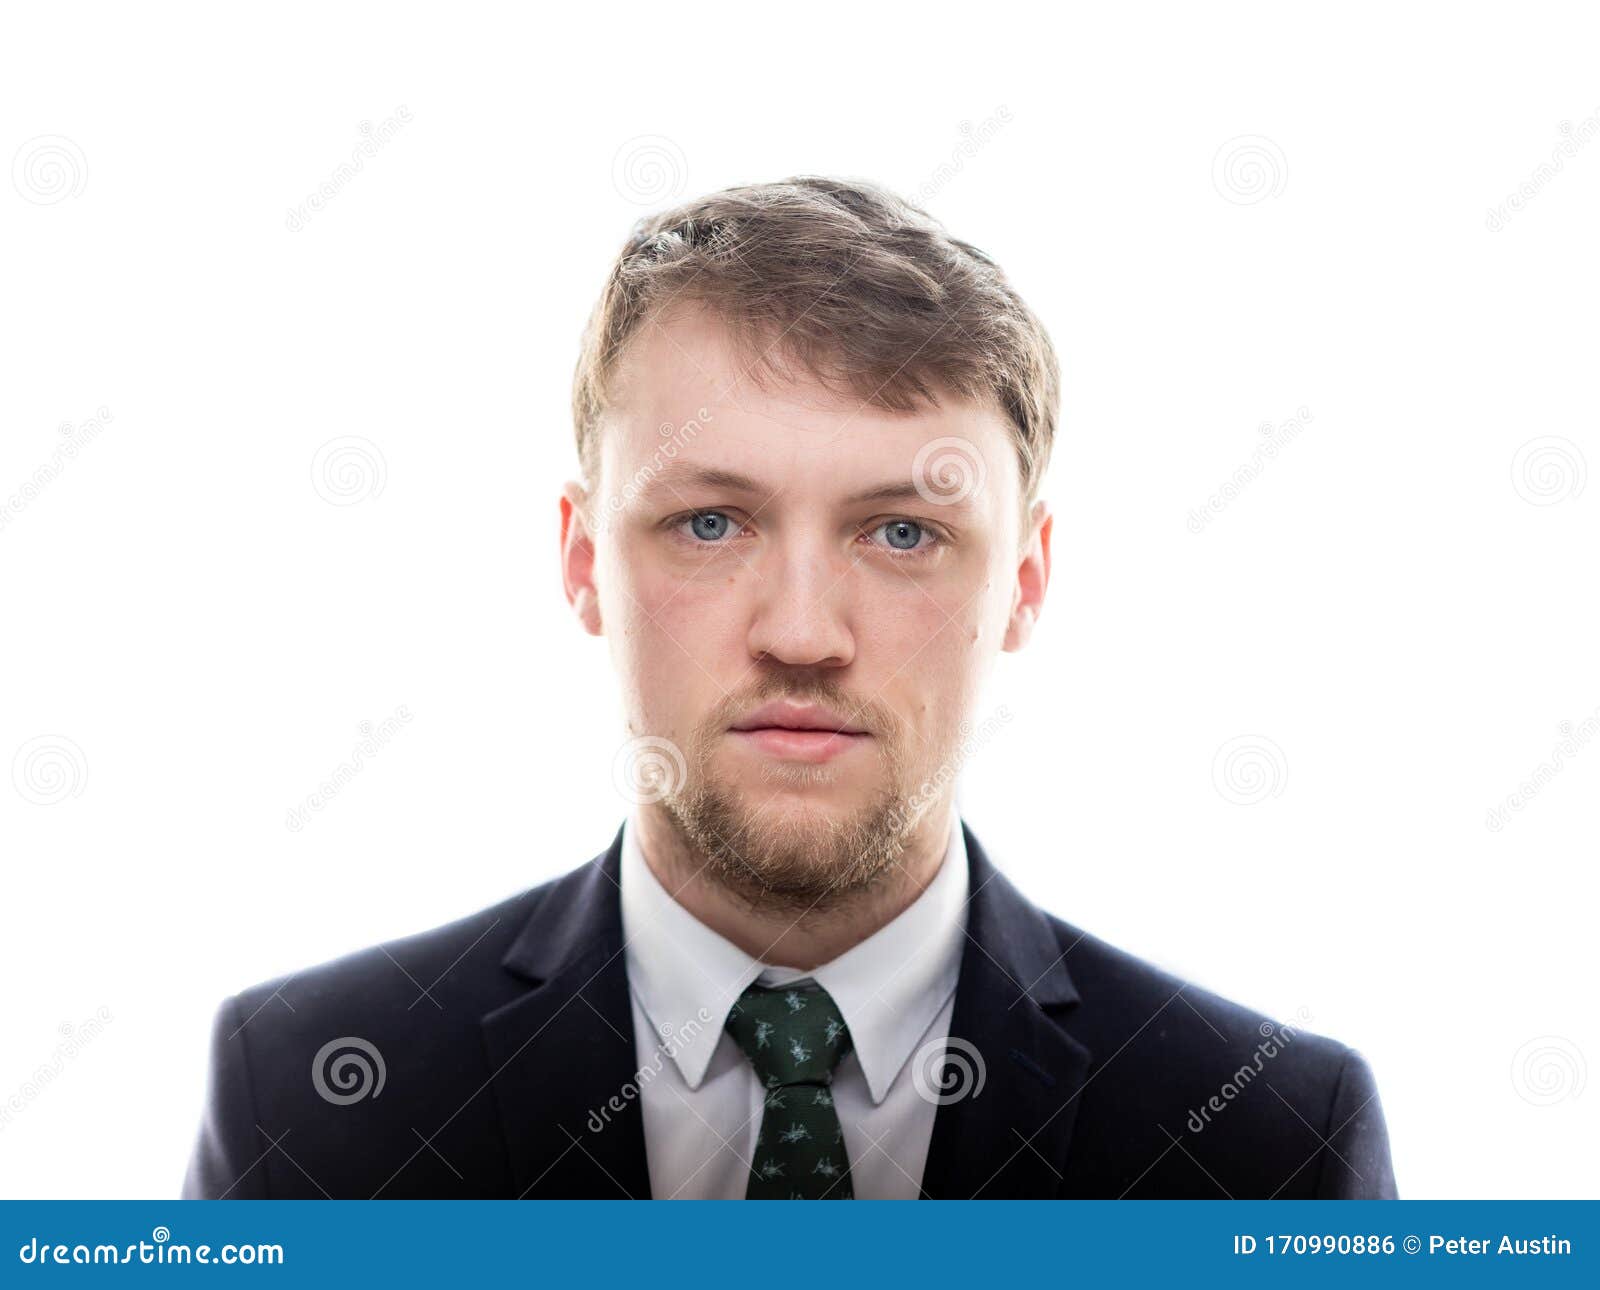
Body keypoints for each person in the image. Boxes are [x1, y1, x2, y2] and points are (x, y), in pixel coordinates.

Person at [183, 176, 1396, 1200]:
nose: (804, 634)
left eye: (901, 533)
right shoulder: (307, 1104)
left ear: (1023, 581)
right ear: (580, 561)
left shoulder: (1271, 1143)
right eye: (710, 522)